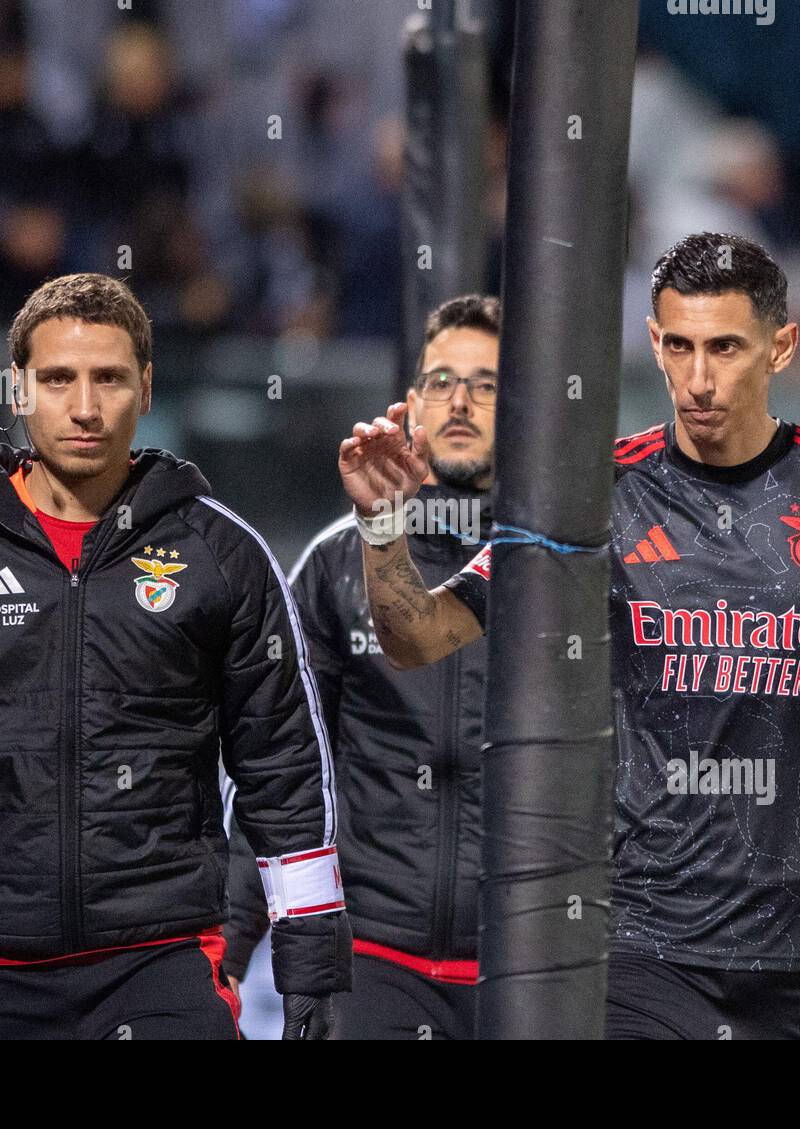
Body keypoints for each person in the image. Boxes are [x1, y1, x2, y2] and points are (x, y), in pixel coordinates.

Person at [337, 233, 800, 1039]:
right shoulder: (596, 492)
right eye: (679, 346)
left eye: (725, 348)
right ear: (653, 340)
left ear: (782, 346)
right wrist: (382, 524)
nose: (698, 379)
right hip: (642, 936)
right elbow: (417, 636)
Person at [0, 273, 350, 1041]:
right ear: (18, 387)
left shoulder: (220, 553)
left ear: (148, 386)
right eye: (59, 378)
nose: (86, 407)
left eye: (110, 378)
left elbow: (286, 772)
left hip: (162, 961)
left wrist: (313, 968)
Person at [224, 294, 498, 1039]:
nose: (461, 402)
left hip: (530, 965)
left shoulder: (560, 566)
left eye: (486, 385)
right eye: (441, 382)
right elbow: (278, 769)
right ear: (412, 403)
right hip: (370, 959)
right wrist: (228, 948)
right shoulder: (334, 566)